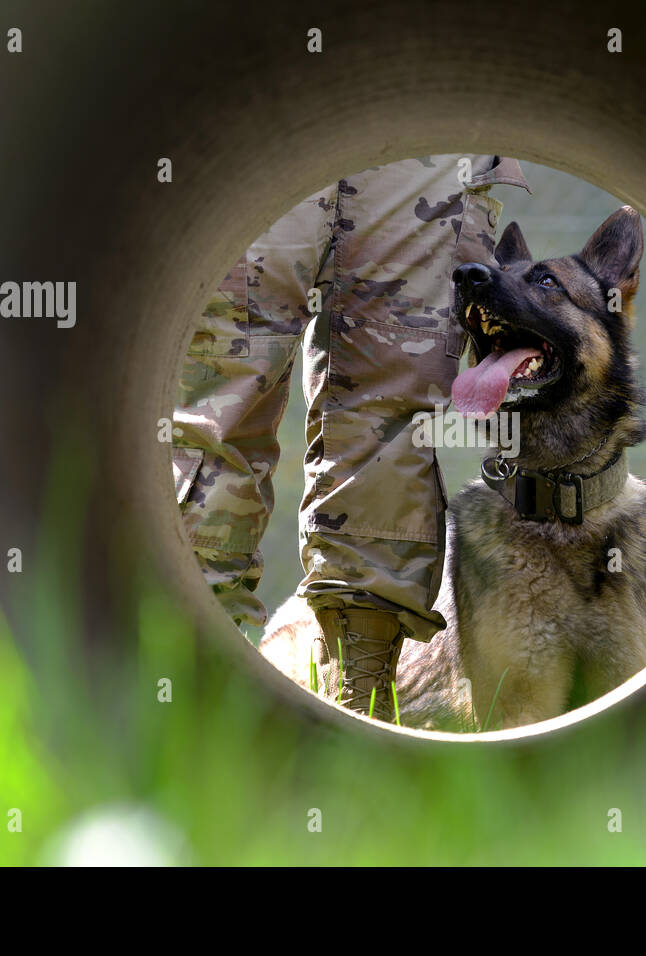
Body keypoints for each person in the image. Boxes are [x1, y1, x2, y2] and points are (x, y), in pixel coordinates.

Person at [171, 155, 529, 720]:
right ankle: (194, 683)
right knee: (222, 404)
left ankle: (360, 711)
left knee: (395, 423)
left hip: (426, 117)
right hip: (265, 110)